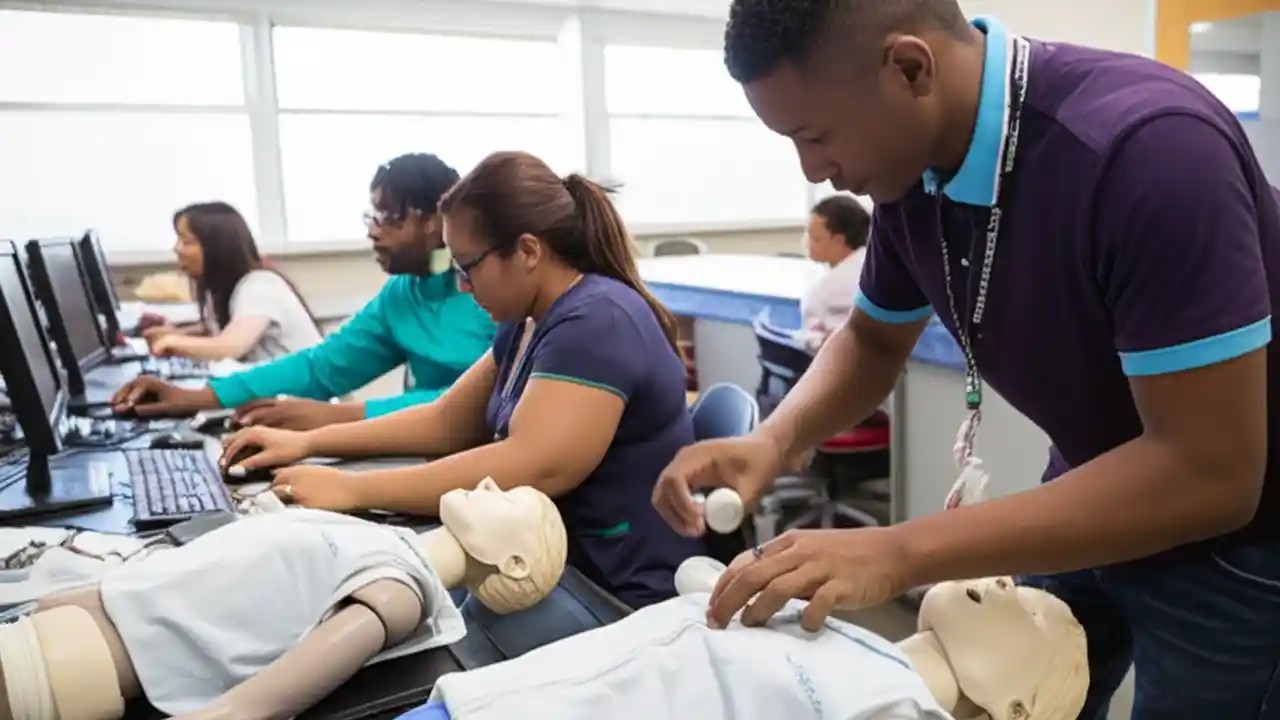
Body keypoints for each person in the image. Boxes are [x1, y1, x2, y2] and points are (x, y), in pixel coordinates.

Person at [652, 2, 1280, 718]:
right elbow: (873, 338)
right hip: (1094, 474)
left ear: (909, 68)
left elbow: (1210, 472)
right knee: (1018, 692)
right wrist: (775, 440)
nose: (816, 171)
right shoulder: (911, 164)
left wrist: (898, 552)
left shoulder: (1150, 153)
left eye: (815, 136)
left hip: (1242, 538)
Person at [219, 151, 705, 608]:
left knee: (364, 602)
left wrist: (353, 490)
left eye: (468, 266)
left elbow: (531, 464)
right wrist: (307, 443)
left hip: (613, 589)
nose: (464, 285)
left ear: (528, 251)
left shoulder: (597, 321)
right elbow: (446, 421)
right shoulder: (526, 319)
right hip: (539, 561)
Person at [0, 479, 567, 719]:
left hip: (77, 660)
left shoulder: (396, 592)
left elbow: (253, 707)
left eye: (507, 499)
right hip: (85, 607)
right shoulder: (383, 539)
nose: (489, 483)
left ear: (514, 563)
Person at [111, 153, 496, 431]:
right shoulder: (403, 293)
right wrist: (199, 397)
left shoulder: (490, 294)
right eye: (372, 215)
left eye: (385, 216)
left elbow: (479, 399)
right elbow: (322, 367)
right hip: (418, 440)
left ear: (434, 221)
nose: (373, 231)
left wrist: (335, 417)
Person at [139, 202, 323, 363]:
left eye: (187, 242)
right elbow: (218, 330)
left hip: (306, 391)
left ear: (217, 247)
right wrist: (177, 334)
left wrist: (171, 342)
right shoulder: (224, 288)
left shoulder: (259, 286)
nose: (177, 249)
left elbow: (229, 347)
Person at [798, 194, 871, 352]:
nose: (806, 243)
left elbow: (815, 341)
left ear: (838, 241)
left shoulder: (832, 286)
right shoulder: (867, 263)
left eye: (815, 239)